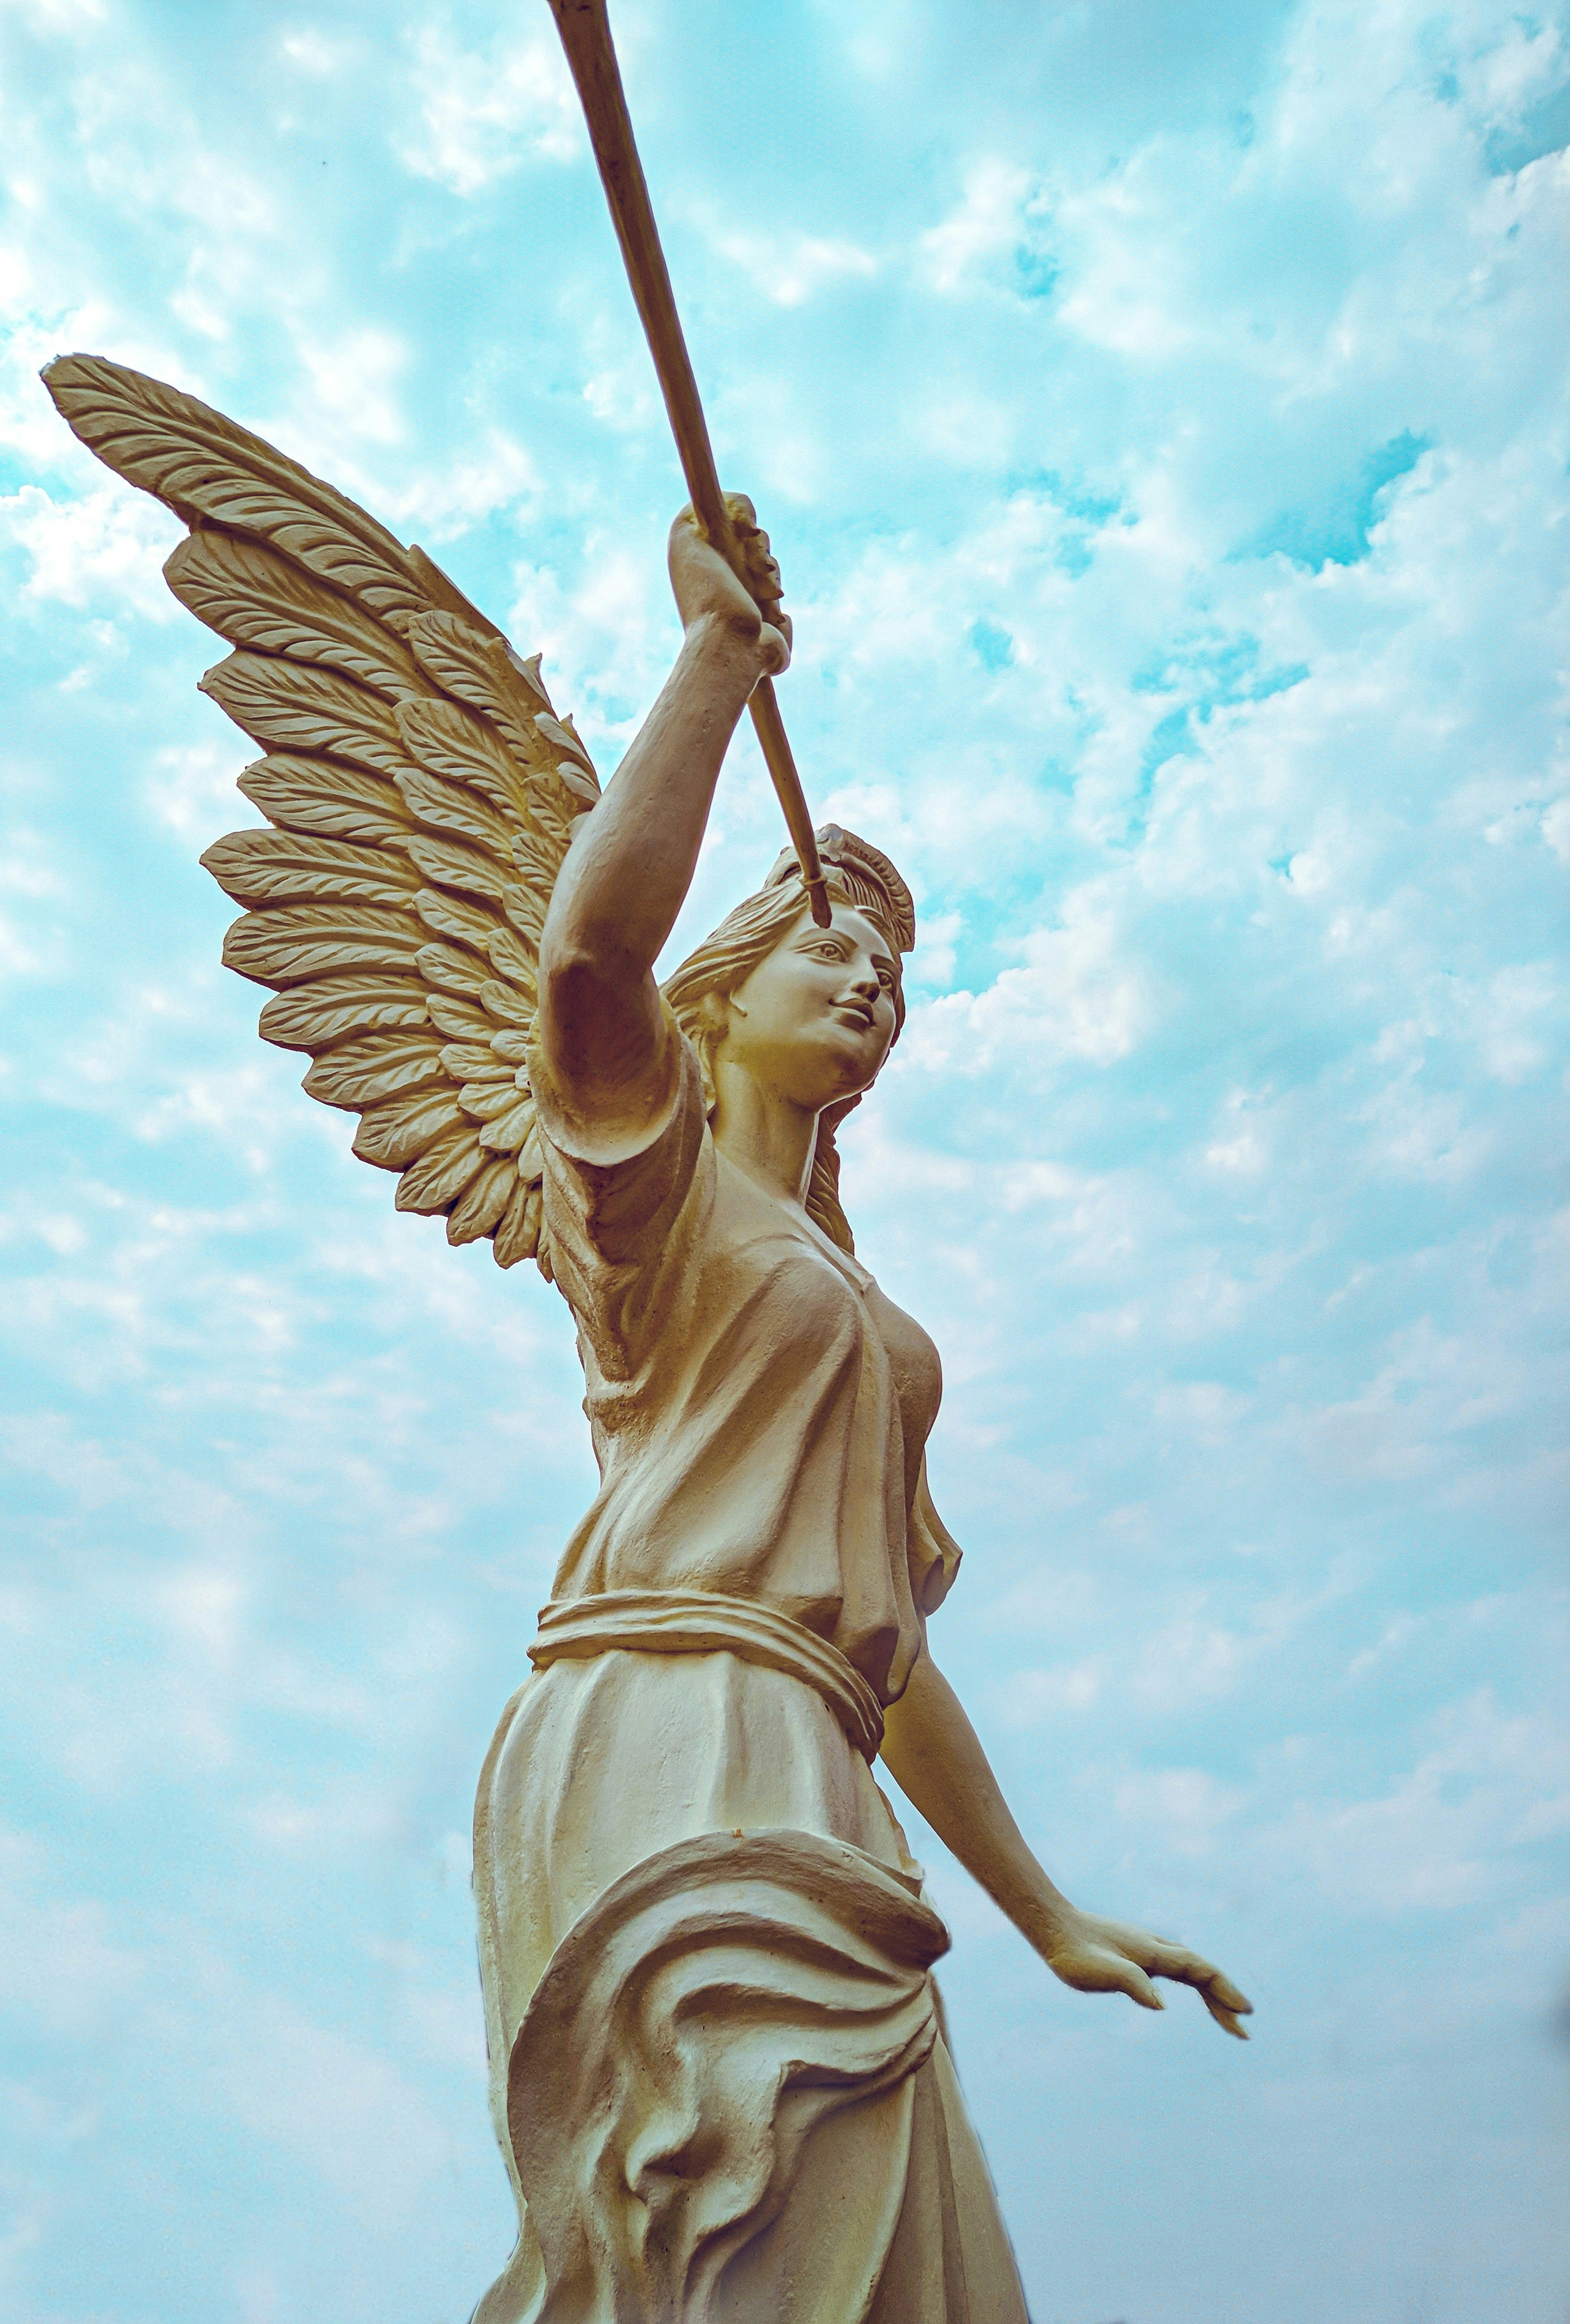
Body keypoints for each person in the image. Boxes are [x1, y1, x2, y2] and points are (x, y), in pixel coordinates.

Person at [470, 502, 1251, 2323]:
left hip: (813, 1748)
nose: (873, 984)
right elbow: (586, 959)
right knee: (726, 2220)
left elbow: (884, 1651)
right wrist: (714, 664)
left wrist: (1041, 1908)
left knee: (902, 2275)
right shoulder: (654, 1193)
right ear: (720, 997)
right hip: (671, 1711)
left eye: (896, 977)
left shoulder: (860, 1304)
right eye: (831, 949)